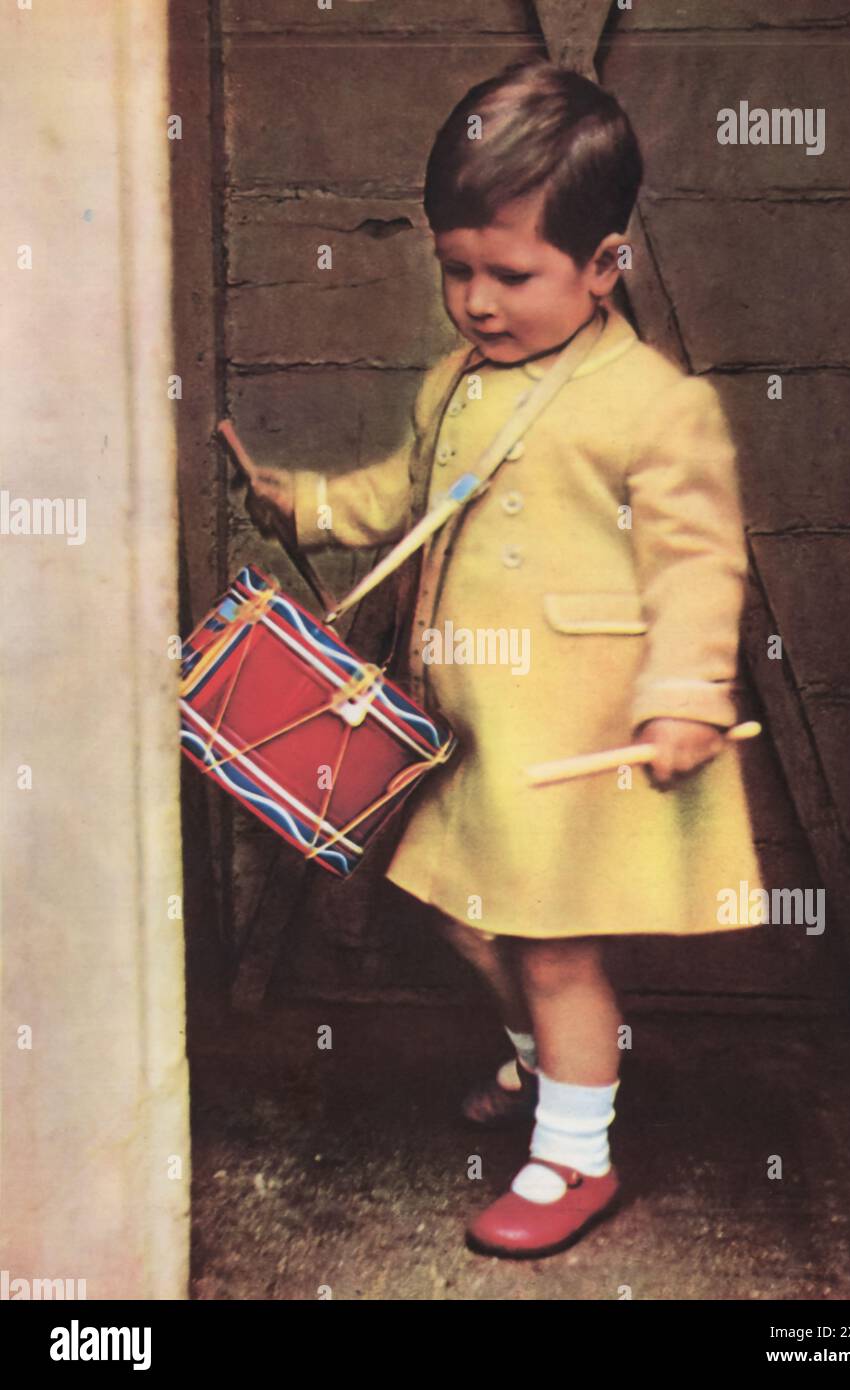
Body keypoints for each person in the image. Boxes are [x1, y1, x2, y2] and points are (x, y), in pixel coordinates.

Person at [245, 59, 764, 1259]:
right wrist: (312, 506)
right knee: (473, 918)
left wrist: (685, 693)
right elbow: (408, 495)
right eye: (455, 270)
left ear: (604, 264)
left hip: (580, 733)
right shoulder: (456, 384)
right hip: (472, 727)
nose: (477, 301)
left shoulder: (653, 403)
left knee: (552, 943)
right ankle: (549, 1072)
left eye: (511, 274)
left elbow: (697, 563)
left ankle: (574, 1156)